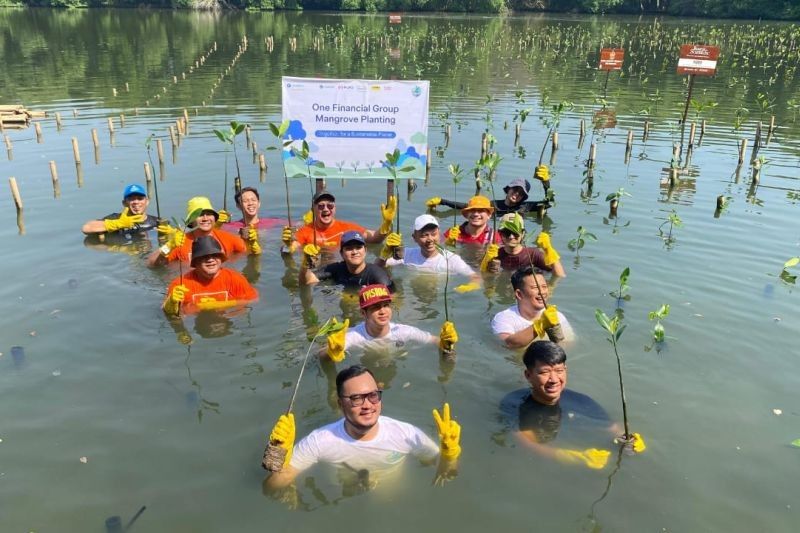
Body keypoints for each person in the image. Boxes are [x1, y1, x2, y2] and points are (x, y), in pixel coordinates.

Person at [263, 365, 461, 491]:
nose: (367, 405)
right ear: (340, 404)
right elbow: (272, 488)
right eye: (356, 398)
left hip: (393, 503)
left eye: (373, 395)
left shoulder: (406, 434)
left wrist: (449, 455)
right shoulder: (320, 440)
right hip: (342, 503)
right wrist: (278, 455)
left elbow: (446, 472)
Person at [499, 342, 645, 469]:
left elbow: (613, 429)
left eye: (559, 371)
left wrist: (630, 440)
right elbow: (526, 442)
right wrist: (564, 456)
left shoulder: (582, 402)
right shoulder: (513, 404)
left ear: (565, 370)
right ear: (528, 375)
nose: (554, 379)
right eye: (544, 372)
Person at [322, 284, 457, 359]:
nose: (383, 311)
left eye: (386, 305)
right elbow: (321, 354)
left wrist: (447, 344)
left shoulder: (404, 332)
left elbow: (435, 341)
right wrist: (330, 352)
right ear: (363, 313)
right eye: (375, 307)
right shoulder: (354, 336)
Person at [378, 214, 480, 292]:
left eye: (433, 234)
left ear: (439, 234)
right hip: (414, 294)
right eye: (424, 235)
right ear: (414, 238)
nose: (430, 239)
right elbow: (377, 268)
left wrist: (470, 287)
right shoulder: (406, 254)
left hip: (439, 296)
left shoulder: (451, 259)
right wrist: (384, 255)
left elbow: (476, 278)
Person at [162, 235, 258, 317]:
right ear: (195, 262)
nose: (210, 260)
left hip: (226, 321)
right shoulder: (180, 284)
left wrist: (216, 305)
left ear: (221, 259)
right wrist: (171, 304)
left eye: (215, 255)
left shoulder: (235, 278)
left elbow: (253, 300)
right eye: (204, 256)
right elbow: (171, 315)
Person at [148, 196, 258, 267]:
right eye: (200, 215)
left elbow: (249, 254)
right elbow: (151, 264)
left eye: (209, 214)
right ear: (191, 220)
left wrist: (252, 243)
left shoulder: (228, 238)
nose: (205, 218)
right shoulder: (180, 242)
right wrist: (168, 246)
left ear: (215, 218)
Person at [491, 267, 575, 349]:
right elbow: (508, 344)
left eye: (544, 286)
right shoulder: (503, 318)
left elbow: (569, 344)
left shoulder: (557, 316)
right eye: (535, 288)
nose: (542, 292)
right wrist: (540, 325)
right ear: (519, 294)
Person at [284, 191, 394, 252]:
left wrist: (387, 224)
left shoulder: (348, 228)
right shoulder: (305, 231)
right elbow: (291, 249)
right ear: (313, 209)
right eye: (321, 206)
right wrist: (287, 246)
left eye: (330, 206)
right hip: (316, 269)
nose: (326, 209)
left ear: (335, 208)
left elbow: (375, 239)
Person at [300, 231, 394, 291]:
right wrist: (305, 264)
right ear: (342, 254)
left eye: (358, 247)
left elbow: (393, 299)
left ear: (365, 251)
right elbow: (308, 281)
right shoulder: (337, 268)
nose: (355, 252)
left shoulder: (377, 274)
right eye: (349, 248)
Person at [426, 174, 550, 216]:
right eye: (515, 189)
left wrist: (546, 183)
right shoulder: (493, 205)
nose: (517, 194)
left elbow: (548, 203)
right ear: (508, 190)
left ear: (523, 197)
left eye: (521, 193)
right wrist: (442, 201)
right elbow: (466, 206)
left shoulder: (525, 207)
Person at [488, 213, 565, 276]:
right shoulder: (495, 254)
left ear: (523, 233)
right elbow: (484, 277)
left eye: (515, 232)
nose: (511, 237)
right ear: (500, 233)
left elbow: (559, 275)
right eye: (506, 232)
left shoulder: (533, 254)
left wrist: (548, 249)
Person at [81, 183, 159, 240]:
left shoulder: (156, 221)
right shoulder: (116, 218)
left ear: (147, 201)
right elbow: (86, 228)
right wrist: (119, 223)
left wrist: (167, 233)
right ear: (124, 203)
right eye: (131, 199)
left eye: (140, 198)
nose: (136, 202)